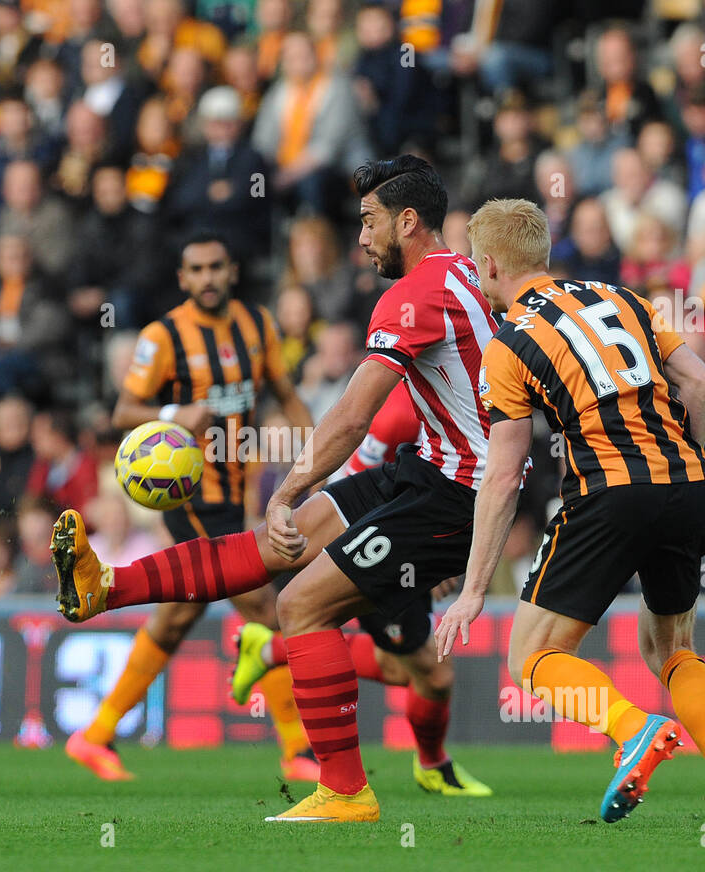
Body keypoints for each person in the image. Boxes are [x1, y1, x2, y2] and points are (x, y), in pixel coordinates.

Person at [51, 156, 502, 822]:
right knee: (273, 552)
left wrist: (287, 485)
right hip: (428, 470)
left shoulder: (411, 295)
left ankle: (345, 791)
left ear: (408, 222)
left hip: (458, 491)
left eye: (369, 222)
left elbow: (351, 415)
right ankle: (105, 588)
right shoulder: (460, 273)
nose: (361, 238)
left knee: (300, 606)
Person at [436, 198, 705, 828]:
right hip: (687, 482)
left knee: (532, 656)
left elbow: (504, 475)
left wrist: (473, 591)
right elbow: (701, 384)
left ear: (491, 264)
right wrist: (681, 462)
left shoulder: (508, 345)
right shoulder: (624, 298)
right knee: (671, 647)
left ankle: (632, 729)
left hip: (609, 490)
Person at [62, 232, 319, 784]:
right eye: (196, 269)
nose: (206, 278)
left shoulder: (257, 326)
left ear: (232, 271)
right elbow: (124, 409)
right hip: (187, 492)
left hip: (236, 491)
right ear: (182, 278)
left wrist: (320, 453)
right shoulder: (163, 336)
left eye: (216, 267)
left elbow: (285, 392)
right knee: (259, 603)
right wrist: (178, 411)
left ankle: (97, 733)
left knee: (177, 617)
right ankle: (298, 750)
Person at [230, 381, 492, 796]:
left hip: (411, 539)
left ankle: (266, 649)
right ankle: (427, 767)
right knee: (431, 672)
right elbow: (350, 489)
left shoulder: (460, 396)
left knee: (419, 673)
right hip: (376, 544)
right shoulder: (399, 414)